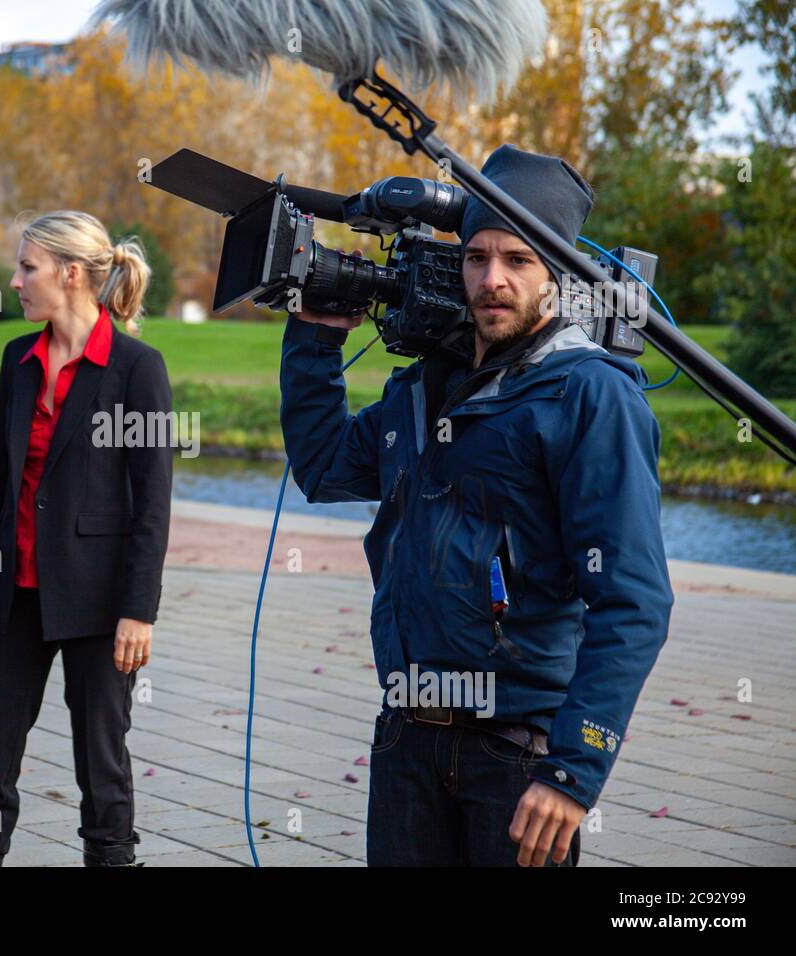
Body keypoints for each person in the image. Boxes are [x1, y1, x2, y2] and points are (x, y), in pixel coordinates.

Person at [279, 145, 674, 866]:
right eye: (477, 257)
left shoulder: (591, 395)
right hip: (406, 738)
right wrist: (315, 339)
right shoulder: (426, 387)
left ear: (556, 276)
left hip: (518, 757)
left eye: (518, 261)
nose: (492, 280)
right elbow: (324, 465)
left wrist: (573, 773)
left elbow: (633, 601)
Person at [0, 211, 173, 867]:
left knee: (102, 767)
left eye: (27, 268)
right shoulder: (16, 359)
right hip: (10, 595)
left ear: (71, 274)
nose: (15, 280)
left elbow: (153, 503)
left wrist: (139, 610)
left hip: (101, 606)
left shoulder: (138, 369)